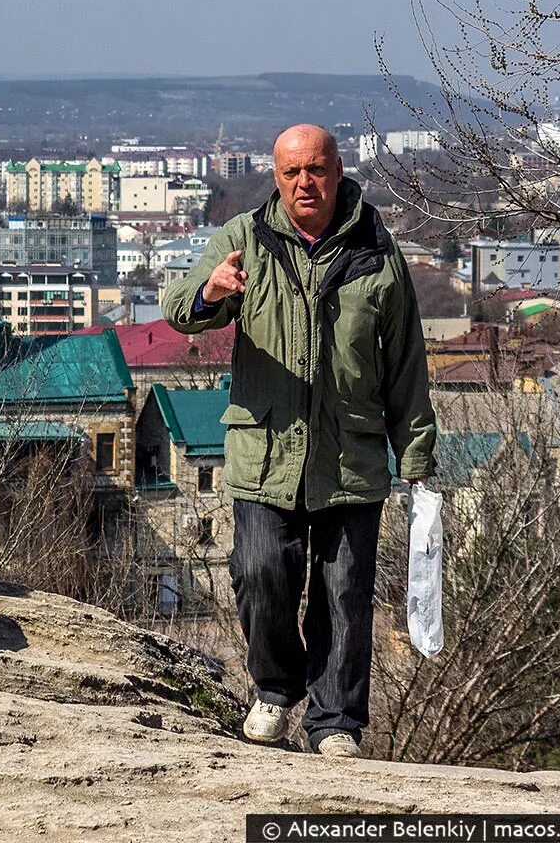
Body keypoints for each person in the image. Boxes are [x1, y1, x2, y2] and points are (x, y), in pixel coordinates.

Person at [164, 124, 436, 758]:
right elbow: (179, 307)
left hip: (352, 453)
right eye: (291, 173)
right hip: (265, 450)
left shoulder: (377, 250)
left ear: (339, 169)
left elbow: (406, 366)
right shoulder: (245, 241)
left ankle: (336, 720)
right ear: (275, 177)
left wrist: (417, 459)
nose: (304, 182)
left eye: (316, 169)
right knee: (260, 574)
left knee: (344, 590)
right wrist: (209, 294)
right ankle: (276, 690)